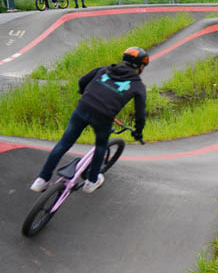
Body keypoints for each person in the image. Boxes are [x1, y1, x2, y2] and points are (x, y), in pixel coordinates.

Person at [30, 47, 148, 194]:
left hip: (83, 107)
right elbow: (140, 114)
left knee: (64, 143)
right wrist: (138, 131)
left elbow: (82, 81)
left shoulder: (104, 70)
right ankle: (91, 182)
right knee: (101, 146)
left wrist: (83, 92)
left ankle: (42, 179)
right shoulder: (137, 85)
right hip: (104, 116)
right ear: (141, 66)